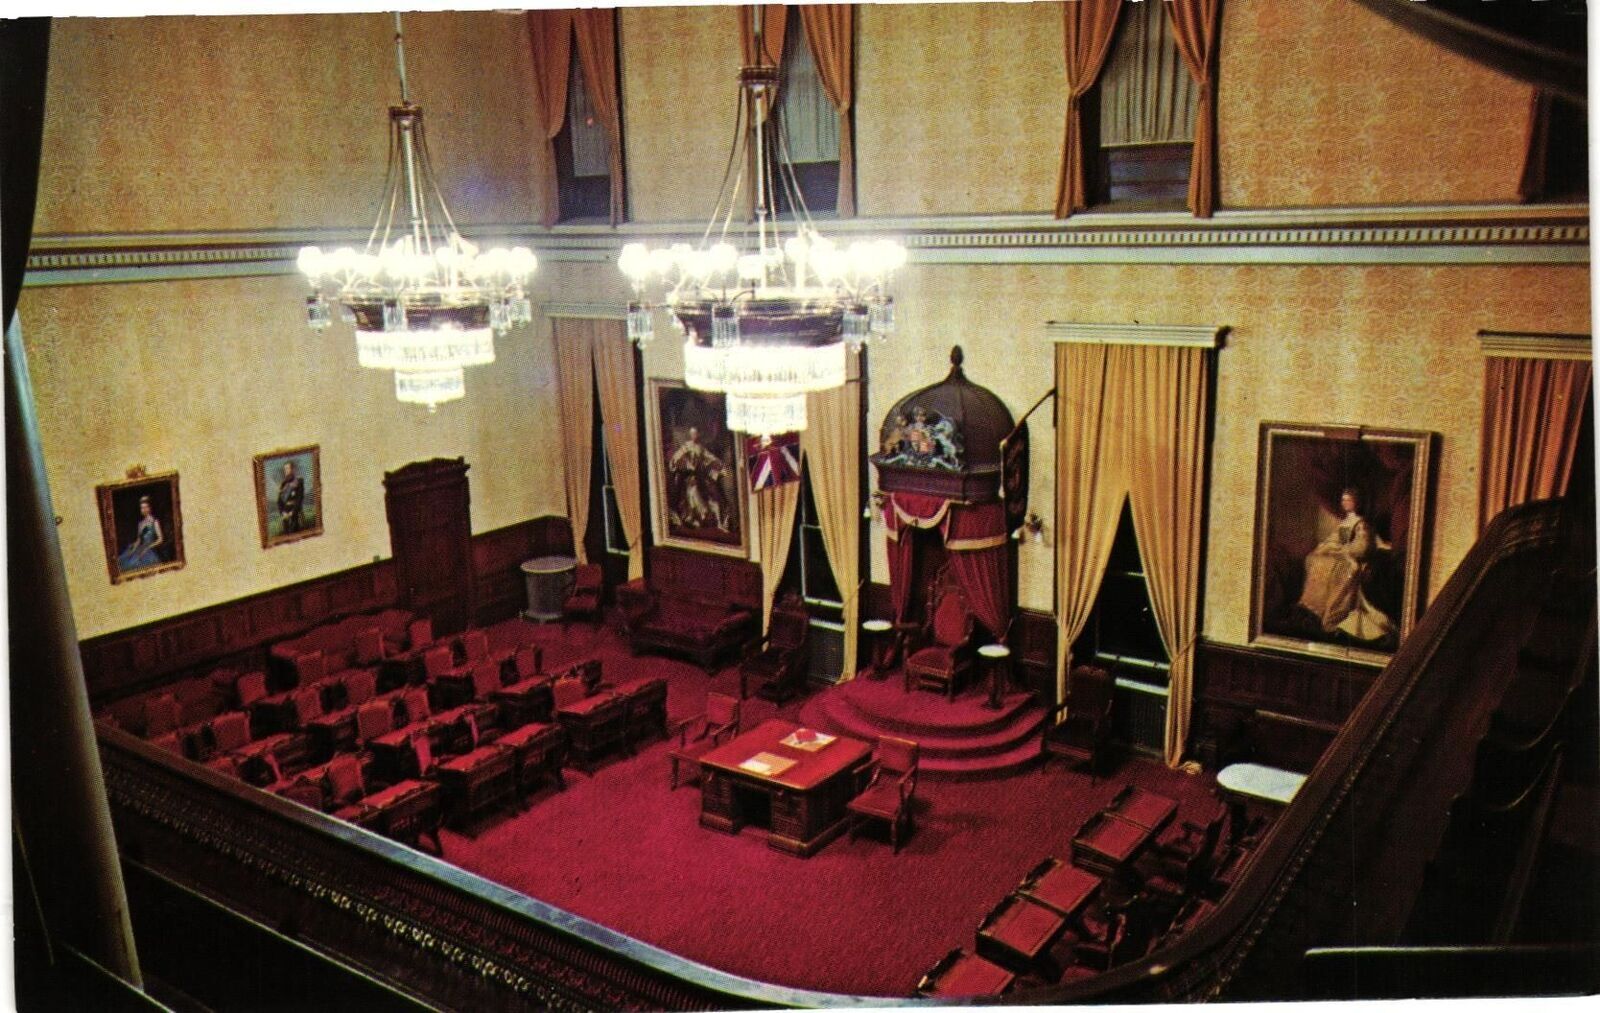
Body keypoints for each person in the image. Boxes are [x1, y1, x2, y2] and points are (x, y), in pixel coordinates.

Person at [1296, 487, 1395, 643]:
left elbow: (1363, 546)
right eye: (1343, 500)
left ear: (1357, 502)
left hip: (1352, 559)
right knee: (1315, 559)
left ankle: (1333, 616)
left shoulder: (1361, 523)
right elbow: (1334, 540)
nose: (1346, 503)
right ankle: (1314, 610)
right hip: (1341, 554)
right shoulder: (1345, 522)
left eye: (1349, 500)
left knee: (1338, 568)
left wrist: (1345, 550)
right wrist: (1326, 548)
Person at [668, 426, 730, 532]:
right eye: (692, 433)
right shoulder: (686, 446)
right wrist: (675, 464)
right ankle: (691, 517)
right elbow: (676, 457)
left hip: (699, 476)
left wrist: (720, 465)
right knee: (692, 491)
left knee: (710, 493)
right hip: (688, 477)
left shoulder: (701, 447)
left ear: (698, 435)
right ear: (690, 435)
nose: (694, 436)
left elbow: (711, 457)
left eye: (696, 434)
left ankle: (712, 519)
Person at [117, 495, 165, 572]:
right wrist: (133, 547)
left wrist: (148, 547)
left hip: (149, 549)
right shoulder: (141, 523)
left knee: (136, 564)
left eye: (145, 507)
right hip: (140, 548)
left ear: (149, 508)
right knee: (123, 561)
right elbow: (139, 539)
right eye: (142, 508)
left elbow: (160, 539)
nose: (144, 510)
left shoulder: (154, 521)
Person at [277, 460, 305, 533]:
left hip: (295, 513)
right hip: (285, 514)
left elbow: (299, 499)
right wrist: (282, 512)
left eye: (288, 468)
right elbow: (279, 501)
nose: (286, 471)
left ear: (293, 469)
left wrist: (293, 512)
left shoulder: (299, 481)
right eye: (285, 469)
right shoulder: (283, 484)